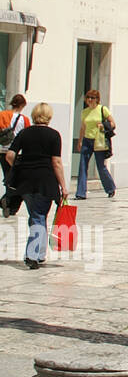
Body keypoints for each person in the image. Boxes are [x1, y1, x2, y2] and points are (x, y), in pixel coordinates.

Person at [3, 103, 68, 269]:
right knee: (39, 216)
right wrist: (63, 186)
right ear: (49, 116)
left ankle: (39, 254)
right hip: (45, 182)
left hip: (25, 182)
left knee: (37, 216)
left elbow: (10, 155)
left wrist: (18, 166)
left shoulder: (25, 133)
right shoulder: (54, 135)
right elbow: (56, 162)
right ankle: (32, 255)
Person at [76, 89, 116, 200]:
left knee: (100, 166)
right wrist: (80, 141)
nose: (89, 100)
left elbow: (113, 124)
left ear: (97, 99)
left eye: (92, 98)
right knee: (82, 166)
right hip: (87, 140)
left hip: (99, 141)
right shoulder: (84, 112)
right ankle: (80, 193)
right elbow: (83, 127)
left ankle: (110, 188)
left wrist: (103, 125)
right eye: (88, 97)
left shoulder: (102, 109)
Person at [0, 94, 31, 191]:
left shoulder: (2, 115)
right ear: (22, 105)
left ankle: (7, 196)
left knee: (6, 173)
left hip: (2, 149)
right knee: (15, 176)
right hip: (16, 151)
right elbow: (27, 135)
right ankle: (9, 198)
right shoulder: (24, 119)